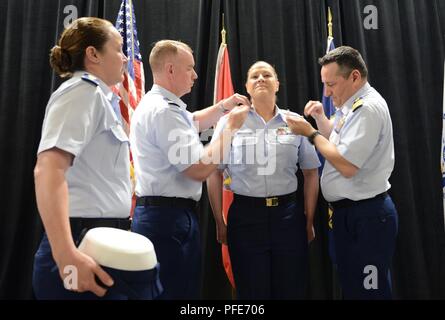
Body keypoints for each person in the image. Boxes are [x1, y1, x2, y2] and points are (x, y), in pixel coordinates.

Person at [33, 17, 161, 300]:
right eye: (118, 48)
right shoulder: (82, 92)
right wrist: (65, 254)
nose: (125, 57)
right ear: (93, 54)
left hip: (103, 242)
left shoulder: (100, 98)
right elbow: (48, 170)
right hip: (81, 245)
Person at [129, 40, 250, 299]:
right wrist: (229, 128)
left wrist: (222, 108)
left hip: (162, 215)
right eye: (190, 68)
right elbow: (198, 169)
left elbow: (192, 121)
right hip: (167, 220)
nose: (195, 75)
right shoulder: (164, 112)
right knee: (176, 293)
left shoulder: (161, 105)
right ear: (170, 70)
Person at [286, 46, 398, 299]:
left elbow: (346, 164)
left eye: (331, 84)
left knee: (370, 291)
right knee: (352, 287)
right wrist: (320, 119)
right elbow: (337, 143)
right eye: (325, 84)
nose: (327, 92)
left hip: (367, 216)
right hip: (350, 215)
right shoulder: (351, 106)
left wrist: (309, 133)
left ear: (354, 77)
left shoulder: (366, 109)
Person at [207, 61, 320, 299]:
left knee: (291, 289)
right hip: (246, 218)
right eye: (254, 76)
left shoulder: (295, 122)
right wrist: (219, 221)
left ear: (277, 84)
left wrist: (309, 219)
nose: (260, 79)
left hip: (288, 218)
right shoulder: (230, 123)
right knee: (251, 292)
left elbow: (311, 172)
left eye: (267, 75)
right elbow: (213, 172)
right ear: (247, 87)